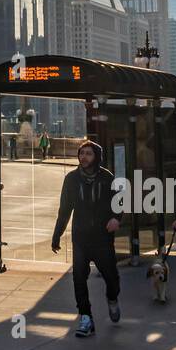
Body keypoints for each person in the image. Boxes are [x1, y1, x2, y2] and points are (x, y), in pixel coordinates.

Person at [51, 140, 123, 338]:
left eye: (88, 153)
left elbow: (119, 202)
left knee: (112, 278)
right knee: (79, 278)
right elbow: (65, 209)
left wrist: (116, 219)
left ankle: (112, 298)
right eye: (81, 153)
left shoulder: (107, 178)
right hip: (81, 238)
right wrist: (57, 234)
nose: (84, 157)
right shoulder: (71, 179)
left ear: (96, 157)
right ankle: (85, 317)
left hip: (102, 238)